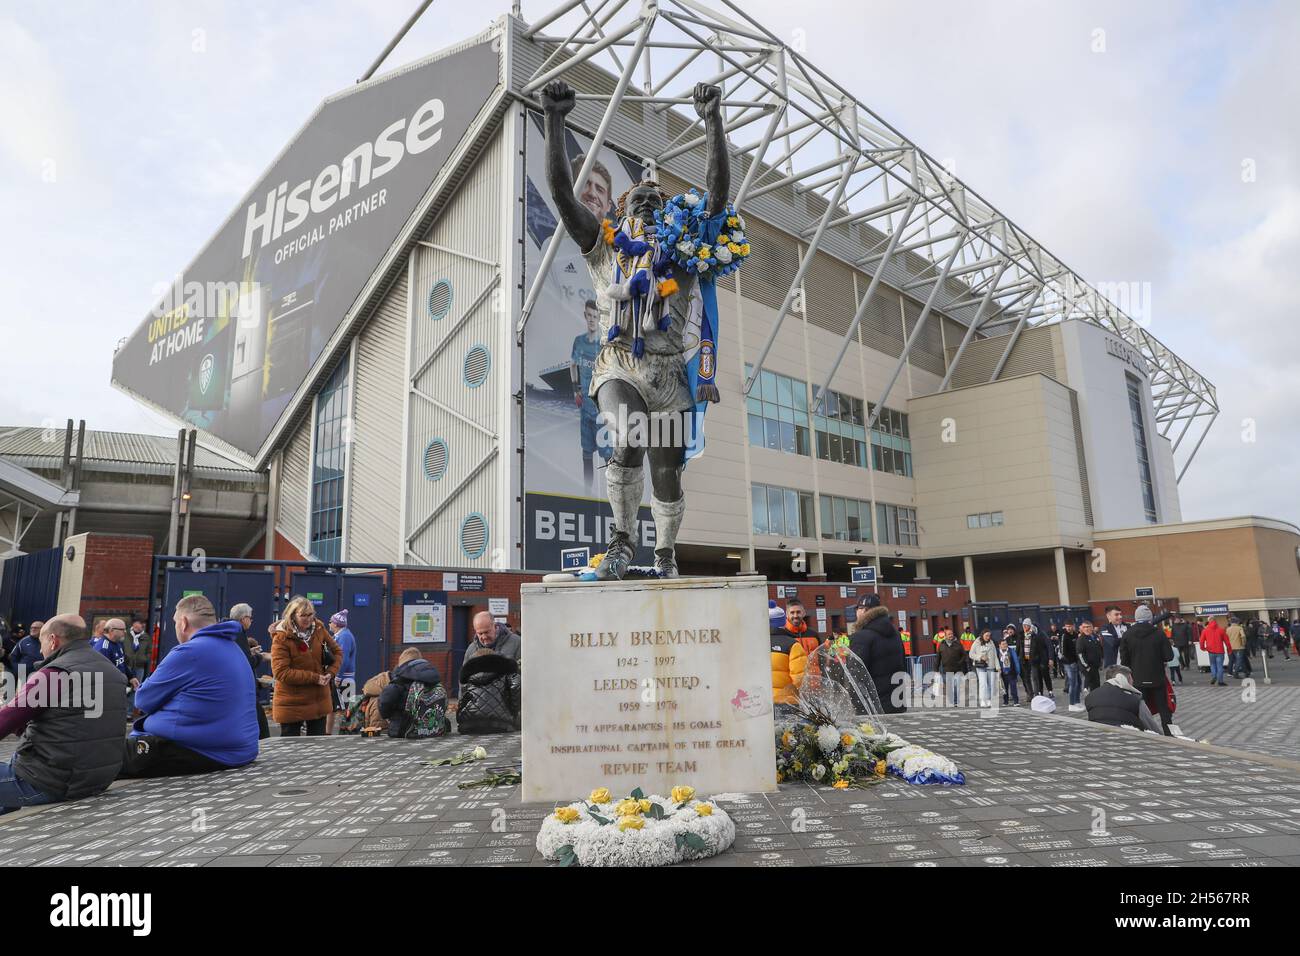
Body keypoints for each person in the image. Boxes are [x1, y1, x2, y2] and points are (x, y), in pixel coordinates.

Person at [540, 78, 730, 579]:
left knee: (667, 472)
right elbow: (562, 194)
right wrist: (555, 122)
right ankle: (621, 542)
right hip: (619, 364)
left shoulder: (685, 256)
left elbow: (716, 199)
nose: (646, 203)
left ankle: (665, 557)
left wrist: (712, 122)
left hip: (669, 375)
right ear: (620, 213)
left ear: (667, 214)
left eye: (654, 199)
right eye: (637, 200)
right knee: (626, 436)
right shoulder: (603, 249)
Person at [120, 595, 260, 776]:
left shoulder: (189, 651)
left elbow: (143, 700)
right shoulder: (233, 648)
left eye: (175, 622)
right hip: (236, 749)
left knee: (102, 757)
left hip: (200, 750)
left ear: (183, 622)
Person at [0, 615, 127, 812]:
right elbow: (74, 721)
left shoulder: (56, 672)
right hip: (94, 780)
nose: (40, 650)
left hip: (48, 782)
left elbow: (5, 720)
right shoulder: (112, 671)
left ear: (53, 640)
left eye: (41, 642)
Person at [270, 596, 342, 736]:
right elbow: (281, 673)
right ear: (293, 616)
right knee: (290, 748)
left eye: (311, 614)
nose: (308, 619)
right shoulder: (282, 637)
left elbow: (337, 652)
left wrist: (331, 672)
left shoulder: (319, 628)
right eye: (303, 615)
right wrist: (315, 678)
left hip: (318, 700)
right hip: (291, 702)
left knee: (317, 748)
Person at [571, 298, 613, 494]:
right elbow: (573, 365)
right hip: (585, 408)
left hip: (602, 409)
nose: (592, 320)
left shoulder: (605, 344)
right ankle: (587, 492)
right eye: (589, 315)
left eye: (595, 316)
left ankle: (612, 494)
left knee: (607, 454)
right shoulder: (579, 342)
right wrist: (575, 389)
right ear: (585, 315)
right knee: (586, 451)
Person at [846, 593, 906, 714]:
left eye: (858, 608)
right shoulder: (895, 633)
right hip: (896, 701)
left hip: (872, 706)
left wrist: (856, 706)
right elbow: (903, 663)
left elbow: (855, 674)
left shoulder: (860, 637)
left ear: (864, 610)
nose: (857, 612)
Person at [1118, 605, 1174, 735]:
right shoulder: (1159, 634)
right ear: (1150, 618)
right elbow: (1169, 656)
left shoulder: (1127, 634)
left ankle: (1144, 732)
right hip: (1157, 678)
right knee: (1163, 708)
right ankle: (1169, 733)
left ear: (1136, 618)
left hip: (1137, 679)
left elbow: (1124, 661)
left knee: (1141, 709)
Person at [378, 648, 448, 738]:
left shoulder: (401, 679)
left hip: (403, 728)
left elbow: (385, 701)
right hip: (435, 729)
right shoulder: (434, 678)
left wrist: (387, 715)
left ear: (402, 664)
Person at [229, 603, 271, 740]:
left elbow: (237, 654)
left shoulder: (229, 630)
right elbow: (247, 662)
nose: (251, 621)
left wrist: (250, 651)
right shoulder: (239, 632)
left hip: (237, 689)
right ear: (243, 619)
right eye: (250, 618)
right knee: (261, 727)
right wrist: (261, 657)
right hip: (244, 690)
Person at [1085, 665, 1164, 733]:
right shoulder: (1135, 699)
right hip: (1126, 740)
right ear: (1126, 679)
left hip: (1098, 737)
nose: (1133, 681)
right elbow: (1152, 727)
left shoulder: (1091, 696)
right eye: (1131, 678)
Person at [770, 601, 809, 707]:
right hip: (787, 702)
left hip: (760, 702)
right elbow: (800, 679)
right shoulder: (791, 644)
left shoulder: (753, 645)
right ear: (783, 621)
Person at [327, 610, 358, 735]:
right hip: (344, 677)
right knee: (332, 706)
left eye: (330, 622)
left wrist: (338, 676)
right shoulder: (340, 635)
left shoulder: (344, 636)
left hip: (344, 677)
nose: (328, 624)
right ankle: (328, 732)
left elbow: (343, 658)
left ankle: (348, 731)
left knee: (346, 707)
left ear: (336, 624)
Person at [92, 619, 140, 692]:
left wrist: (131, 677)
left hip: (119, 687)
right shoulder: (103, 648)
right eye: (122, 630)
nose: (125, 632)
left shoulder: (118, 643)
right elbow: (102, 675)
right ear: (111, 630)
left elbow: (122, 663)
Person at [1019, 618, 1052, 698]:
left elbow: (1047, 647)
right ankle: (1035, 693)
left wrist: (1050, 658)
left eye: (1027, 625)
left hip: (1039, 659)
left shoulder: (1038, 635)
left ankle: (1046, 691)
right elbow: (1020, 647)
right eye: (1024, 625)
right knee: (1032, 677)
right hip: (1029, 659)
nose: (1025, 627)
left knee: (1041, 676)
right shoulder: (1022, 635)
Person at [967, 629, 999, 707]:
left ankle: (989, 700)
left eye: (989, 635)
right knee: (983, 683)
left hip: (990, 665)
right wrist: (980, 657)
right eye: (986, 636)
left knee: (990, 684)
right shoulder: (977, 642)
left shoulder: (991, 642)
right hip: (980, 666)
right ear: (982, 635)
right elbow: (971, 654)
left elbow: (995, 655)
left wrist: (998, 666)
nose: (988, 637)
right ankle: (982, 700)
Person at [937, 627, 968, 706]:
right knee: (950, 686)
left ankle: (956, 701)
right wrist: (936, 669)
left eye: (951, 634)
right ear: (945, 636)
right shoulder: (941, 645)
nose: (951, 635)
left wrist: (960, 663)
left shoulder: (958, 644)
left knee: (956, 685)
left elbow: (964, 655)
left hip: (957, 669)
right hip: (947, 669)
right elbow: (938, 658)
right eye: (949, 634)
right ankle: (951, 700)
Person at [1199, 616, 1230, 686]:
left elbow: (1201, 641)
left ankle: (1214, 676)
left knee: (1213, 665)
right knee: (1220, 666)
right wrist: (1229, 649)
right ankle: (1220, 681)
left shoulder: (1205, 630)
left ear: (1209, 621)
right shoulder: (1221, 630)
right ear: (1215, 621)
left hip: (1211, 651)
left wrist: (1203, 648)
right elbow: (1227, 641)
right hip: (1220, 651)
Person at [1076, 620, 1104, 693]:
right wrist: (1086, 666)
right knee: (1092, 684)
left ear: (1092, 628)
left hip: (1095, 665)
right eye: (1084, 627)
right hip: (1088, 666)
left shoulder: (1095, 636)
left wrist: (1101, 660)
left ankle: (1096, 700)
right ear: (1082, 628)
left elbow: (1099, 648)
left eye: (1088, 627)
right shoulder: (1081, 639)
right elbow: (1080, 654)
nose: (1086, 629)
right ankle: (1091, 700)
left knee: (1097, 684)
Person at [124, 617, 153, 683]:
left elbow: (149, 651)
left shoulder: (146, 637)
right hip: (127, 665)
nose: (142, 625)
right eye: (140, 623)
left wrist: (144, 659)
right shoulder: (126, 634)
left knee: (137, 686)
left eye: (143, 623)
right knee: (125, 685)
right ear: (134, 624)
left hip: (139, 667)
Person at [997, 636, 1022, 705]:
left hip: (1011, 672)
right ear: (999, 645)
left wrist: (1017, 672)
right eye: (1003, 644)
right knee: (1004, 688)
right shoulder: (997, 652)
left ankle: (1016, 701)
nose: (1005, 645)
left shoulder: (1011, 651)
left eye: (1006, 644)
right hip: (1002, 673)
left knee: (1013, 688)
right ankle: (1005, 701)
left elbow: (1016, 661)